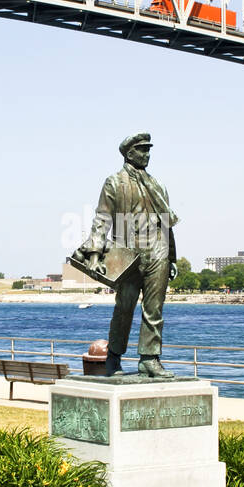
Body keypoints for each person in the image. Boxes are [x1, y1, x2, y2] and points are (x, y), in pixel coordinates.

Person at [72, 132, 178, 378]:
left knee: (155, 310)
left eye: (149, 149)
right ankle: (114, 357)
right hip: (128, 255)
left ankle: (149, 359)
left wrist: (171, 256)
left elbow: (167, 223)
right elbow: (101, 219)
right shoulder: (114, 182)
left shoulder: (158, 186)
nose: (147, 154)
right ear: (129, 153)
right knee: (124, 309)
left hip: (157, 252)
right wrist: (95, 254)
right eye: (142, 150)